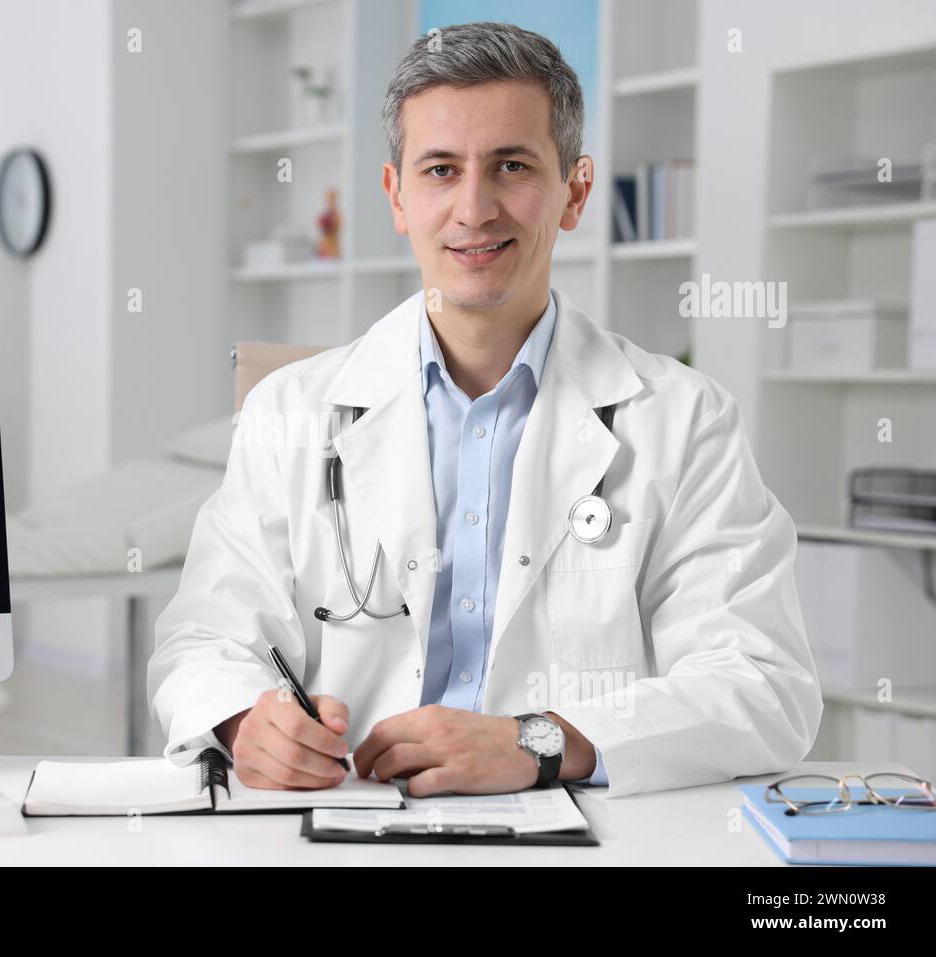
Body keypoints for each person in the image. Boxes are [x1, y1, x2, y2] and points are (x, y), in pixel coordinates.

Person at [148, 21, 822, 798]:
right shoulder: (291, 411)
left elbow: (763, 680)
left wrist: (540, 741)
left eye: (511, 165)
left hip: (580, 831)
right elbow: (202, 635)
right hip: (346, 827)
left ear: (575, 191)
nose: (474, 207)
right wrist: (243, 721)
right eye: (440, 169)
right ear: (397, 197)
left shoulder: (683, 419)